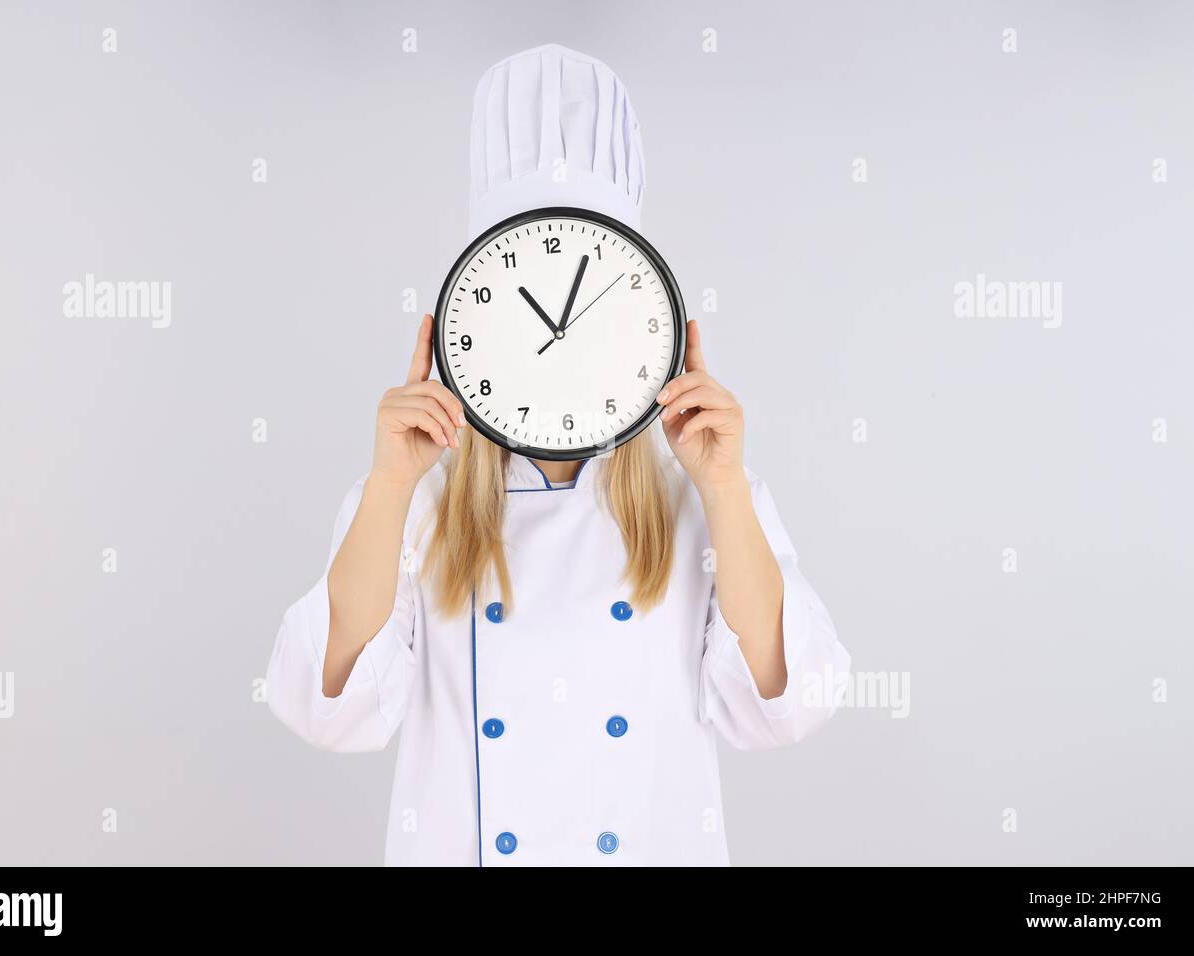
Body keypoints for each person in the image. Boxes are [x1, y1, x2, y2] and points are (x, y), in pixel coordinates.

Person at [266, 43, 850, 866]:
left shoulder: (706, 501)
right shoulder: (416, 502)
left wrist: (720, 484)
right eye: (519, 307)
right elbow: (325, 709)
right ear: (472, 316)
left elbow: (785, 706)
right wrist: (391, 481)